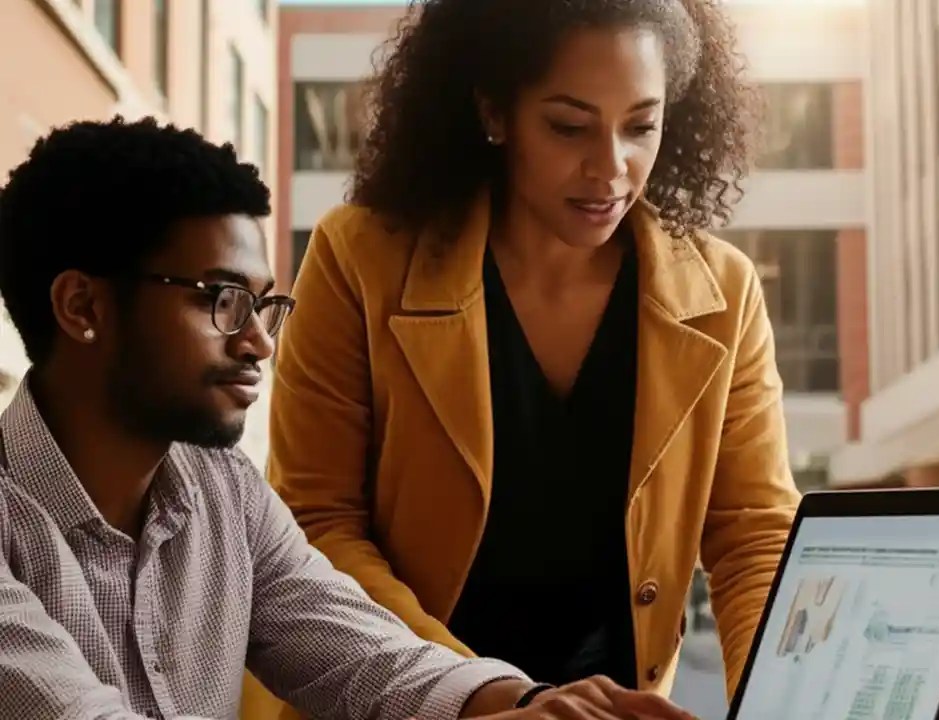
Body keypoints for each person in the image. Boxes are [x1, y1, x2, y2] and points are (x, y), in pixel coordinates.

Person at [0, 116, 696, 720]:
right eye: (218, 299)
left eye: (262, 304)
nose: (258, 341)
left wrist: (527, 703)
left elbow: (370, 658)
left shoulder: (227, 497)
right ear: (82, 308)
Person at [262, 0, 800, 715]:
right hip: (414, 703)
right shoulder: (358, 258)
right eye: (569, 126)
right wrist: (495, 700)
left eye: (642, 125)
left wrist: (786, 704)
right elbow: (316, 525)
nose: (612, 167)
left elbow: (754, 537)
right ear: (494, 112)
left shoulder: (723, 291)